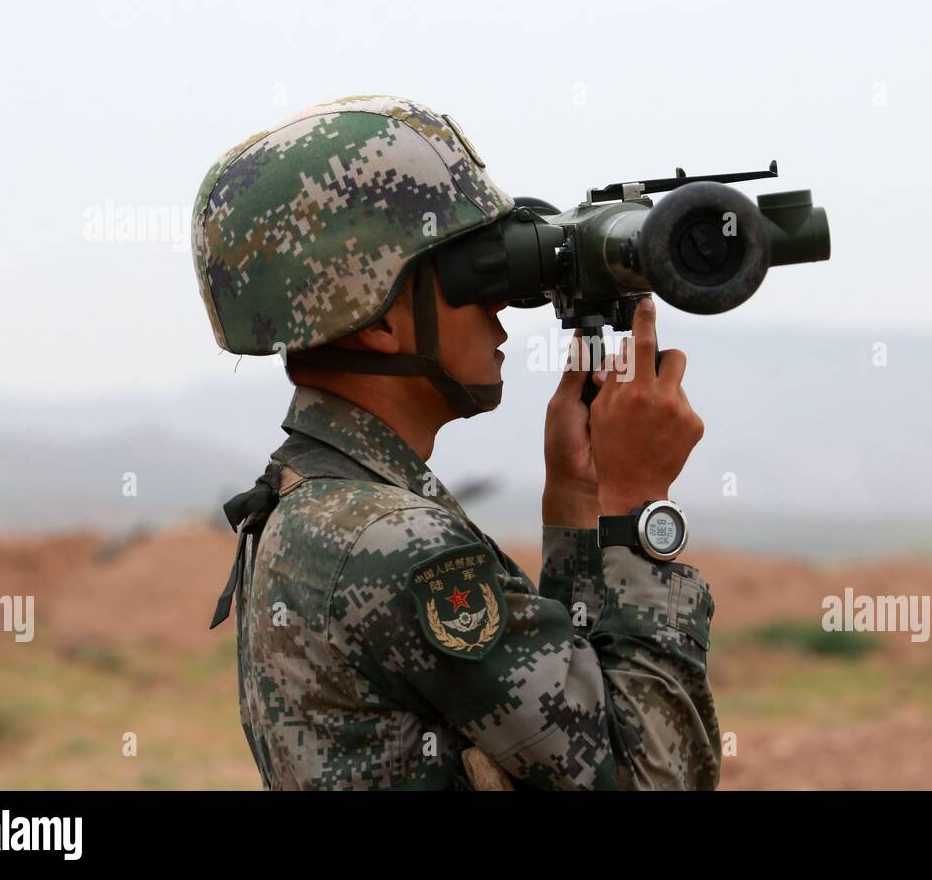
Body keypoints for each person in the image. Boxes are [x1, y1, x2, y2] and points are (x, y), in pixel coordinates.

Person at [191, 94, 720, 790]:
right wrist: (640, 507)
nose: (501, 305)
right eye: (473, 272)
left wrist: (577, 500)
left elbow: (562, 718)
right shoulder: (391, 543)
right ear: (377, 321)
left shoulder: (309, 503)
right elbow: (651, 774)